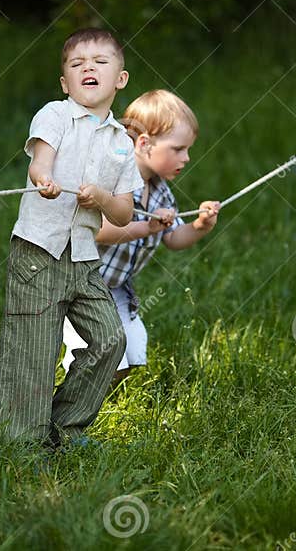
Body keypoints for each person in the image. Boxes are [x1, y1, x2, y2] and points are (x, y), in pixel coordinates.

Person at [0, 28, 144, 447]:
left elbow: (124, 211)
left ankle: (63, 427)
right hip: (39, 251)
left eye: (99, 62)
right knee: (34, 351)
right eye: (77, 65)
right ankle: (18, 444)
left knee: (111, 339)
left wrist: (101, 199)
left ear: (121, 79)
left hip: (83, 257)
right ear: (65, 83)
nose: (88, 69)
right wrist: (44, 179)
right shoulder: (54, 115)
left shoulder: (121, 143)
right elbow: (41, 162)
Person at [61, 89, 220, 388]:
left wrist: (200, 225)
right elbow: (101, 230)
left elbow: (173, 239)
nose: (186, 158)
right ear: (144, 144)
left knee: (133, 350)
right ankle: (70, 408)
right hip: (81, 284)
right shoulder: (115, 180)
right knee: (101, 352)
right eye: (178, 149)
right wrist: (146, 229)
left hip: (118, 287)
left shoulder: (160, 191)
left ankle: (99, 404)